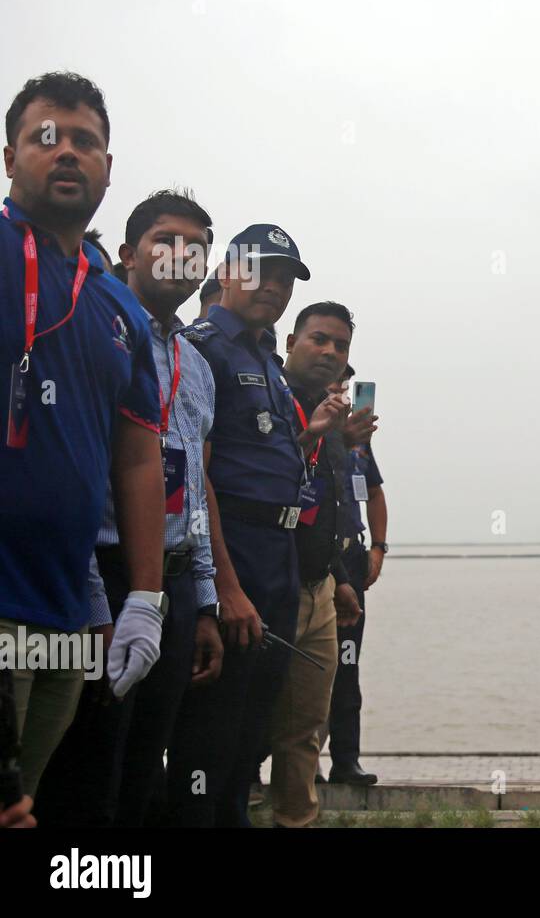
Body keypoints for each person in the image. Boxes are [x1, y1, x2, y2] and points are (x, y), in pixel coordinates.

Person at [36, 189, 236, 827]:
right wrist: (98, 601)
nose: (183, 258)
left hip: (171, 587)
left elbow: (195, 491)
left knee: (145, 776)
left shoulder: (197, 368)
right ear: (127, 252)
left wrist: (203, 602)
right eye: (167, 242)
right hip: (101, 573)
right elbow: (78, 475)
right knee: (85, 772)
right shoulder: (90, 332)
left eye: (196, 249)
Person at [0, 72, 165, 823]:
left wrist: (145, 599)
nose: (67, 152)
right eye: (46, 137)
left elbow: (136, 458)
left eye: (86, 141)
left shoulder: (119, 306)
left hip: (67, 614)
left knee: (27, 801)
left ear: (107, 167)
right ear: (10, 158)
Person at [165, 222, 324, 827]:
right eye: (261, 271)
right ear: (228, 272)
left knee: (251, 734)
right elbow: (197, 478)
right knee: (210, 736)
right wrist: (225, 589)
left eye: (286, 278)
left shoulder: (265, 353)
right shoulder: (202, 345)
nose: (274, 286)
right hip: (235, 551)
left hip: (279, 556)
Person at [272, 302, 362, 826]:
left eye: (341, 345)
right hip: (262, 584)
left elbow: (325, 506)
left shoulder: (332, 416)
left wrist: (341, 579)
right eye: (319, 339)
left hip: (320, 587)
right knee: (242, 724)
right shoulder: (268, 395)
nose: (329, 352)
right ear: (290, 341)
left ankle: (294, 818)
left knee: (307, 727)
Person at [324, 364, 386, 785]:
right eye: (334, 386)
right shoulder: (302, 430)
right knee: (299, 667)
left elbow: (376, 493)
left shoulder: (358, 443)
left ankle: (346, 761)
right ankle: (283, 767)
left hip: (352, 559)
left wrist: (378, 548)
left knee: (347, 667)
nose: (342, 394)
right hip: (309, 563)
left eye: (345, 386)